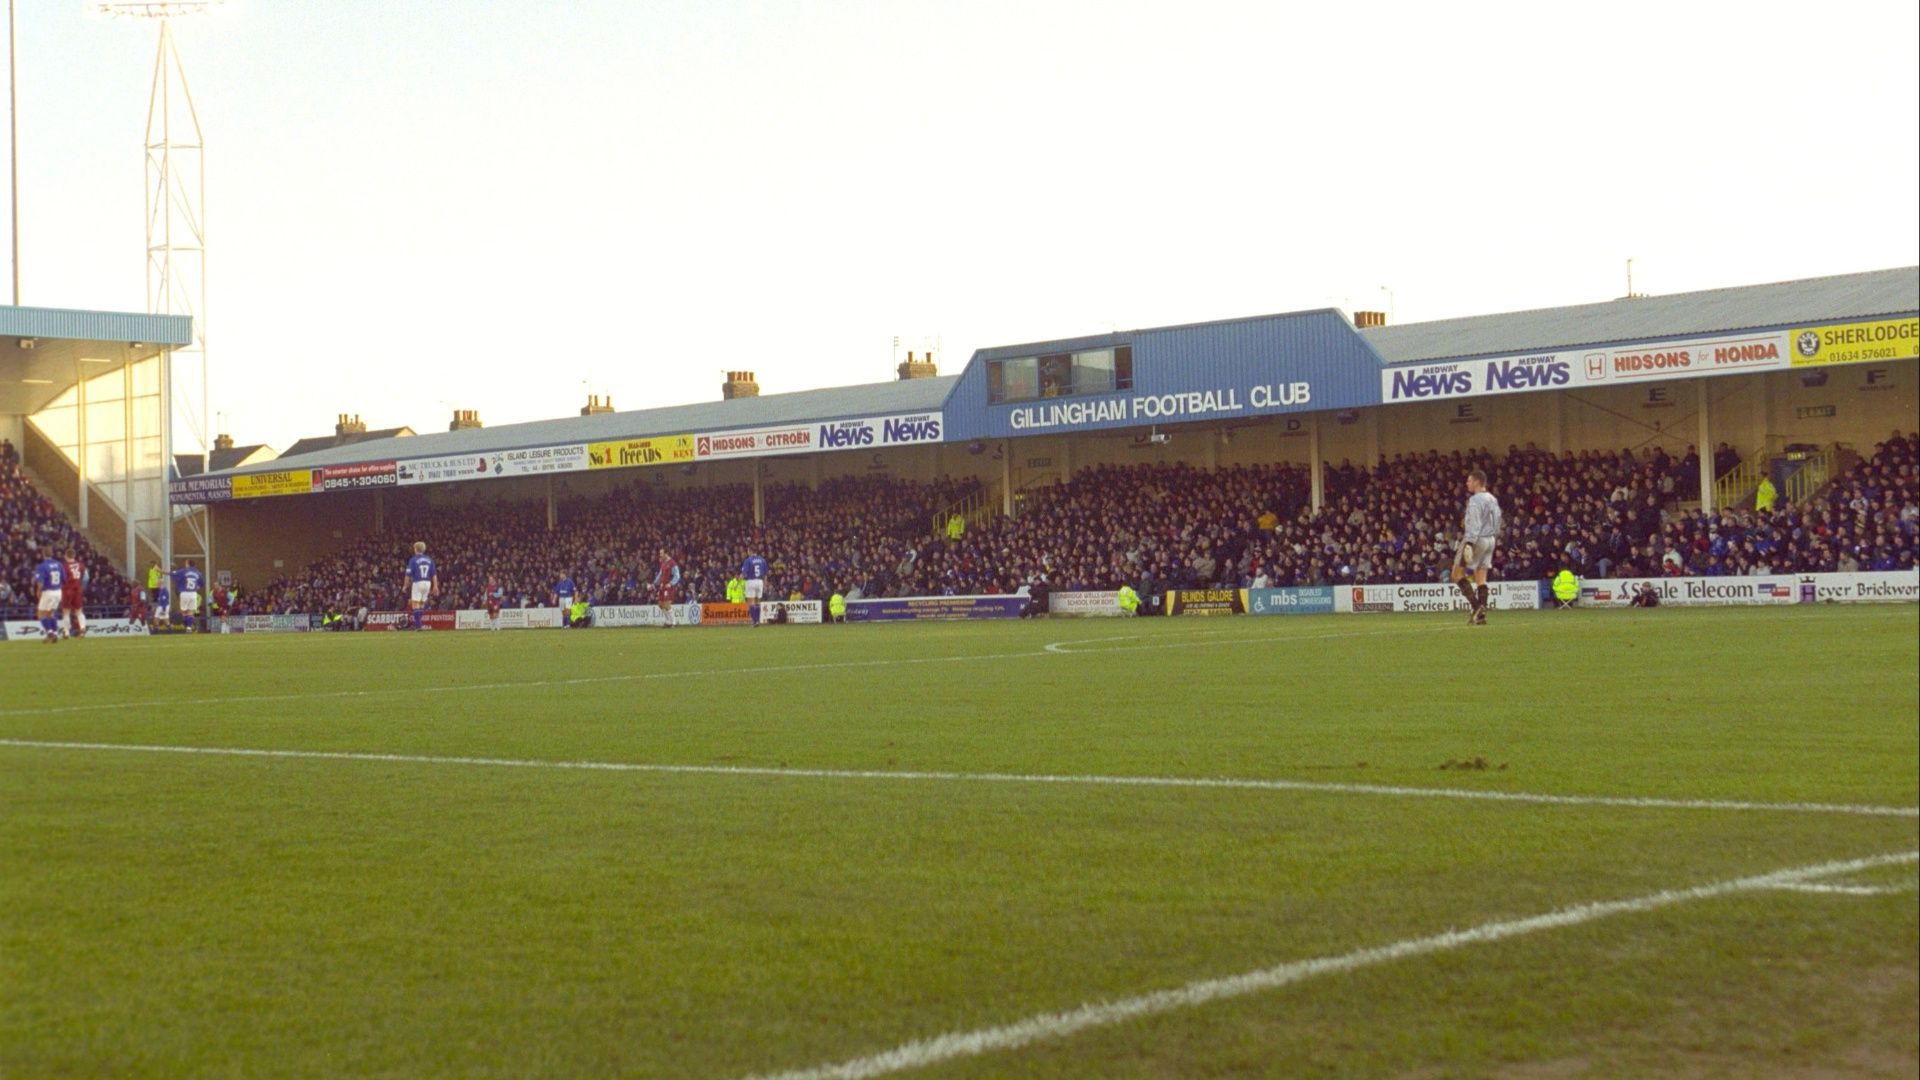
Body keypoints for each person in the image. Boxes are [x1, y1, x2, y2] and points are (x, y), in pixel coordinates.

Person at [1451, 469, 1503, 626]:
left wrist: (1469, 543)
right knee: (1481, 577)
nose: (1467, 483)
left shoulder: (1475, 500)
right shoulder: (1492, 499)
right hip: (1490, 539)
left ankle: (1477, 608)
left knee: (1456, 574)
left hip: (1476, 539)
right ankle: (1481, 616)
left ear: (1477, 482)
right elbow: (1498, 520)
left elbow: (1474, 525)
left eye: (1469, 480)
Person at [33, 553, 65, 643]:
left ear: (43, 555)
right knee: (50, 614)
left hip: (48, 592)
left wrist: (38, 591)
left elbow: (40, 582)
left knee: (40, 614)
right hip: (58, 591)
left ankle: (49, 632)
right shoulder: (59, 564)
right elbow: (64, 579)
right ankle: (55, 633)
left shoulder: (42, 566)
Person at [404, 541, 436, 630]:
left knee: (415, 604)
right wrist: (435, 586)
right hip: (427, 583)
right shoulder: (429, 559)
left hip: (418, 582)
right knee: (422, 604)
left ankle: (418, 626)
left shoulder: (413, 559)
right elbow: (434, 574)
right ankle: (418, 624)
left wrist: (405, 585)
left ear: (415, 549)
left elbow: (408, 574)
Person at [59, 548, 87, 638]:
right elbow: (86, 577)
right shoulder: (81, 565)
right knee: (79, 610)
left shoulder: (64, 566)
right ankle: (82, 628)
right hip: (78, 589)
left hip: (67, 589)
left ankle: (66, 632)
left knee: (66, 611)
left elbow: (62, 578)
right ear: (74, 556)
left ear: (66, 556)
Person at [171, 561, 204, 634]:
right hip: (193, 593)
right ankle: (188, 627)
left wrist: (160, 571)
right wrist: (198, 586)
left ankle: (187, 627)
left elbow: (173, 574)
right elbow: (202, 583)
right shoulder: (197, 572)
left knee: (183, 612)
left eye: (186, 563)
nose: (185, 564)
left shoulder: (184, 571)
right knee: (190, 612)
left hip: (185, 592)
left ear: (188, 564)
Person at [653, 548, 682, 628]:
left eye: (661, 553)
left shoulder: (672, 563)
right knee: (660, 604)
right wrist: (654, 584)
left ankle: (674, 622)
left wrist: (671, 583)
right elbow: (660, 575)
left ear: (666, 554)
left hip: (668, 587)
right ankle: (668, 621)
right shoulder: (663, 563)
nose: (660, 555)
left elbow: (677, 575)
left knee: (666, 604)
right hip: (662, 586)